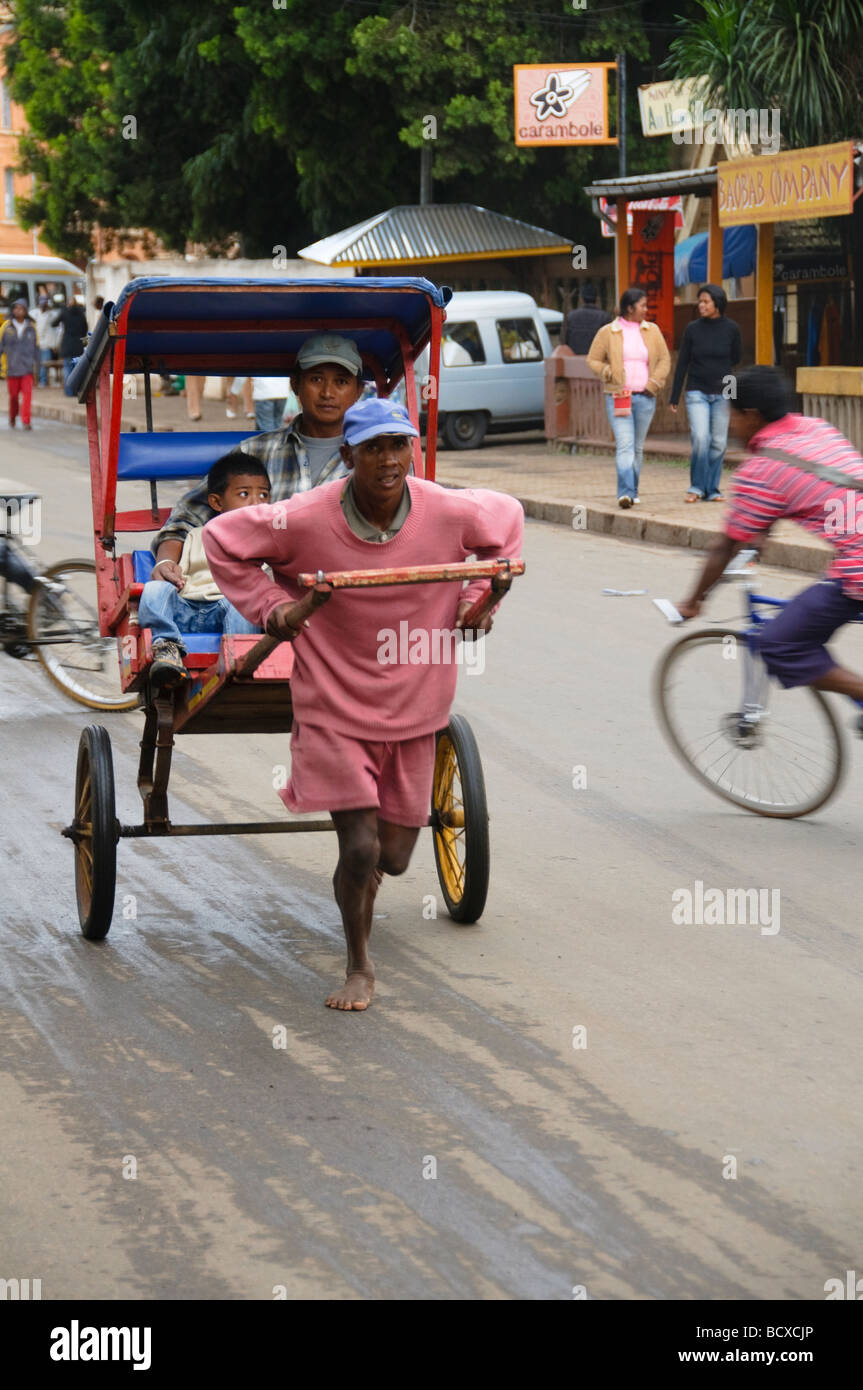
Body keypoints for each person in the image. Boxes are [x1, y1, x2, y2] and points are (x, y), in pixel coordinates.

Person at [203, 396, 524, 1013]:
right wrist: (277, 608)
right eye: (373, 447)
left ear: (412, 450)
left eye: (397, 445)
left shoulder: (448, 510)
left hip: (417, 703)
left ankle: (361, 886)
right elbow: (220, 539)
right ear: (347, 455)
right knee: (359, 848)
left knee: (396, 859)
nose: (387, 460)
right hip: (331, 703)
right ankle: (359, 966)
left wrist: (480, 594)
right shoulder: (303, 518)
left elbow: (507, 520)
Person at [676, 366, 863, 704]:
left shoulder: (760, 469)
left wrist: (694, 600)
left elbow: (724, 547)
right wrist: (757, 531)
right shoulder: (816, 427)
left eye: (732, 414)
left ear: (752, 416)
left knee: (779, 642)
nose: (730, 424)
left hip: (858, 565)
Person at [150, 333, 365, 578]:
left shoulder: (375, 462)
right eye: (316, 379)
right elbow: (188, 515)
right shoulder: (255, 452)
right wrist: (165, 562)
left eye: (341, 382)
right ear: (295, 384)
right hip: (257, 597)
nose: (327, 392)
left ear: (358, 391)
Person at [138, 450, 270, 686]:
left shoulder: (269, 542)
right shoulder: (196, 535)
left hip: (228, 611)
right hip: (187, 608)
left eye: (264, 495)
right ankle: (167, 647)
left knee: (244, 605)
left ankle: (240, 658)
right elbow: (180, 574)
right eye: (244, 494)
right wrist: (172, 573)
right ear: (217, 502)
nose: (256, 502)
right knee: (154, 589)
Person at [586, 287, 671, 508]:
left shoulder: (652, 330)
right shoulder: (608, 331)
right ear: (630, 308)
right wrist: (608, 373)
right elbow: (593, 360)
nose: (646, 309)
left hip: (645, 396)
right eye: (642, 305)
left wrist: (654, 384)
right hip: (618, 396)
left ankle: (633, 490)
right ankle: (624, 493)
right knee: (625, 444)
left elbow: (664, 360)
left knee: (637, 447)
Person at [670, 284, 742, 503]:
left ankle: (712, 488)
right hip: (696, 392)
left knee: (719, 442)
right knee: (701, 438)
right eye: (700, 301)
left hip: (723, 393)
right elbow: (682, 363)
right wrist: (674, 396)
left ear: (717, 303)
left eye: (705, 302)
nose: (701, 305)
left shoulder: (732, 329)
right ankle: (696, 487)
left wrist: (733, 395)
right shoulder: (692, 329)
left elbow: (735, 360)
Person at [1, 300, 39, 429]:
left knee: (27, 396)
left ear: (26, 311)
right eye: (16, 308)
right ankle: (12, 417)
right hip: (11, 368)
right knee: (13, 397)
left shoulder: (32, 327)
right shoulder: (6, 326)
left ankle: (26, 421)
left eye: (21, 308)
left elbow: (36, 349)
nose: (18, 311)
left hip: (27, 369)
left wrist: (37, 370)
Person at [51, 296, 88, 393]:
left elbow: (53, 323)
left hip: (67, 343)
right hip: (78, 345)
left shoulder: (65, 313)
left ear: (68, 303)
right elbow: (85, 329)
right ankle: (76, 391)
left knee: (67, 368)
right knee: (76, 368)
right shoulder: (81, 314)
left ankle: (69, 391)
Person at [564, 284, 611, 355]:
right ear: (597, 299)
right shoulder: (604, 317)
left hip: (574, 361)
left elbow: (564, 341)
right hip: (597, 362)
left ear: (581, 299)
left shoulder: (571, 316)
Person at [32, 295, 60, 387]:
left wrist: (55, 344)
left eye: (45, 303)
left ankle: (43, 381)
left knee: (45, 363)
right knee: (37, 363)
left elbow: (57, 330)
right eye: (42, 303)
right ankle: (39, 381)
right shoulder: (34, 313)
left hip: (48, 343)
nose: (44, 305)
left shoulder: (53, 314)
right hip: (36, 343)